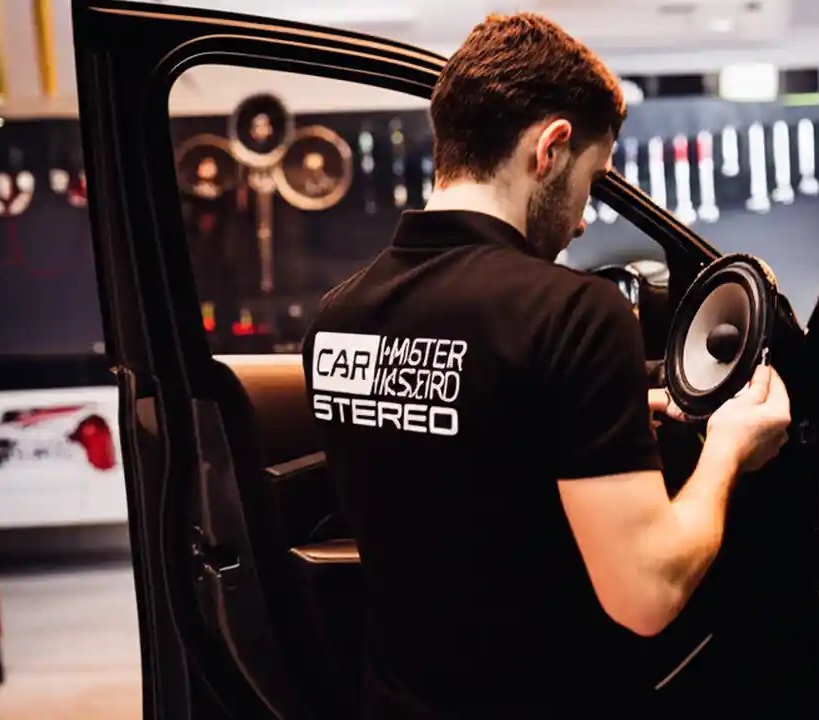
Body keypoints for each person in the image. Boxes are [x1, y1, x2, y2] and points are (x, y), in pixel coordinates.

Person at [302, 13, 792, 718]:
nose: (585, 218)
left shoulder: (338, 316)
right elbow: (648, 594)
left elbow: (461, 454)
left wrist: (599, 414)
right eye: (593, 180)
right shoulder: (574, 312)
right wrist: (729, 449)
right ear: (551, 148)